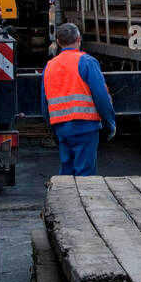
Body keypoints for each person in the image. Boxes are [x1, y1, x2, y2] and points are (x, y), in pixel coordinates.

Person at [43, 23, 116, 176]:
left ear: (58, 42)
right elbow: (101, 96)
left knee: (66, 174)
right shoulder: (87, 62)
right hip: (85, 127)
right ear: (78, 39)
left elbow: (45, 102)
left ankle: (65, 200)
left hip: (62, 128)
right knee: (85, 176)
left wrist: (52, 127)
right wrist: (109, 121)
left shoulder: (49, 66)